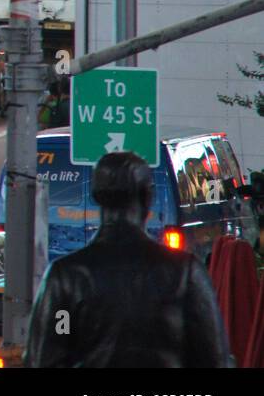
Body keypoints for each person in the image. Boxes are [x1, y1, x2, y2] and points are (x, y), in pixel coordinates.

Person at [26, 151, 233, 368]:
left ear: (96, 196)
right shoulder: (184, 273)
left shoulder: (66, 279)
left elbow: (47, 355)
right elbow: (215, 358)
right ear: (148, 196)